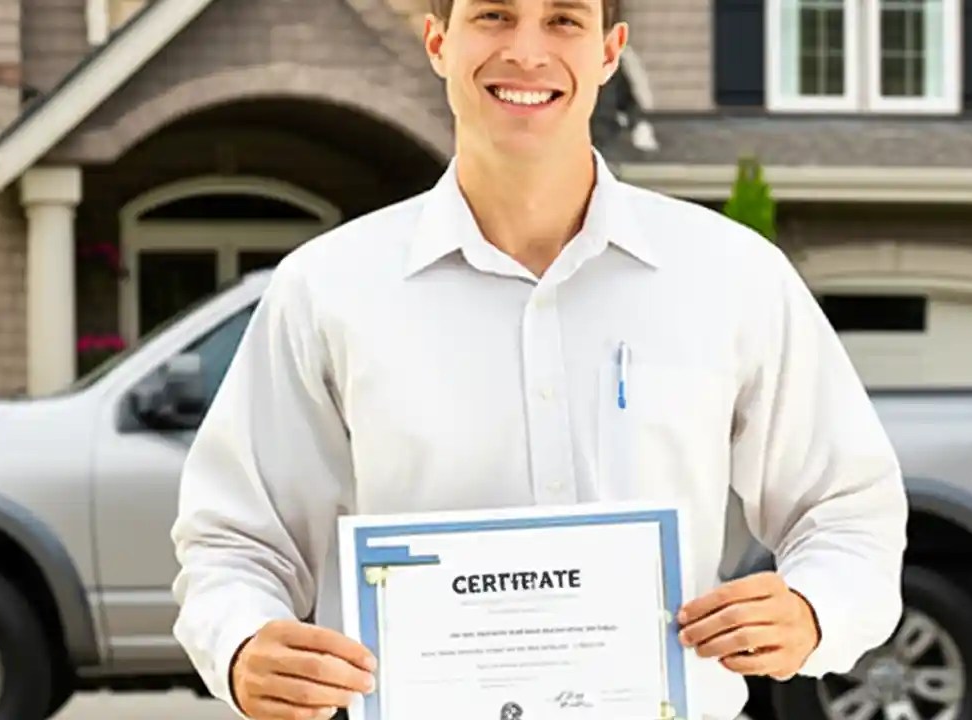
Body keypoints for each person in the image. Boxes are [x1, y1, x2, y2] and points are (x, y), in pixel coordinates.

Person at [170, 0, 909, 718]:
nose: (527, 50)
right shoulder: (328, 288)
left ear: (609, 51)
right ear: (437, 43)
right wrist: (242, 645)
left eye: (563, 18)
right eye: (493, 15)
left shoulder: (731, 276)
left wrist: (814, 608)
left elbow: (847, 510)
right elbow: (236, 538)